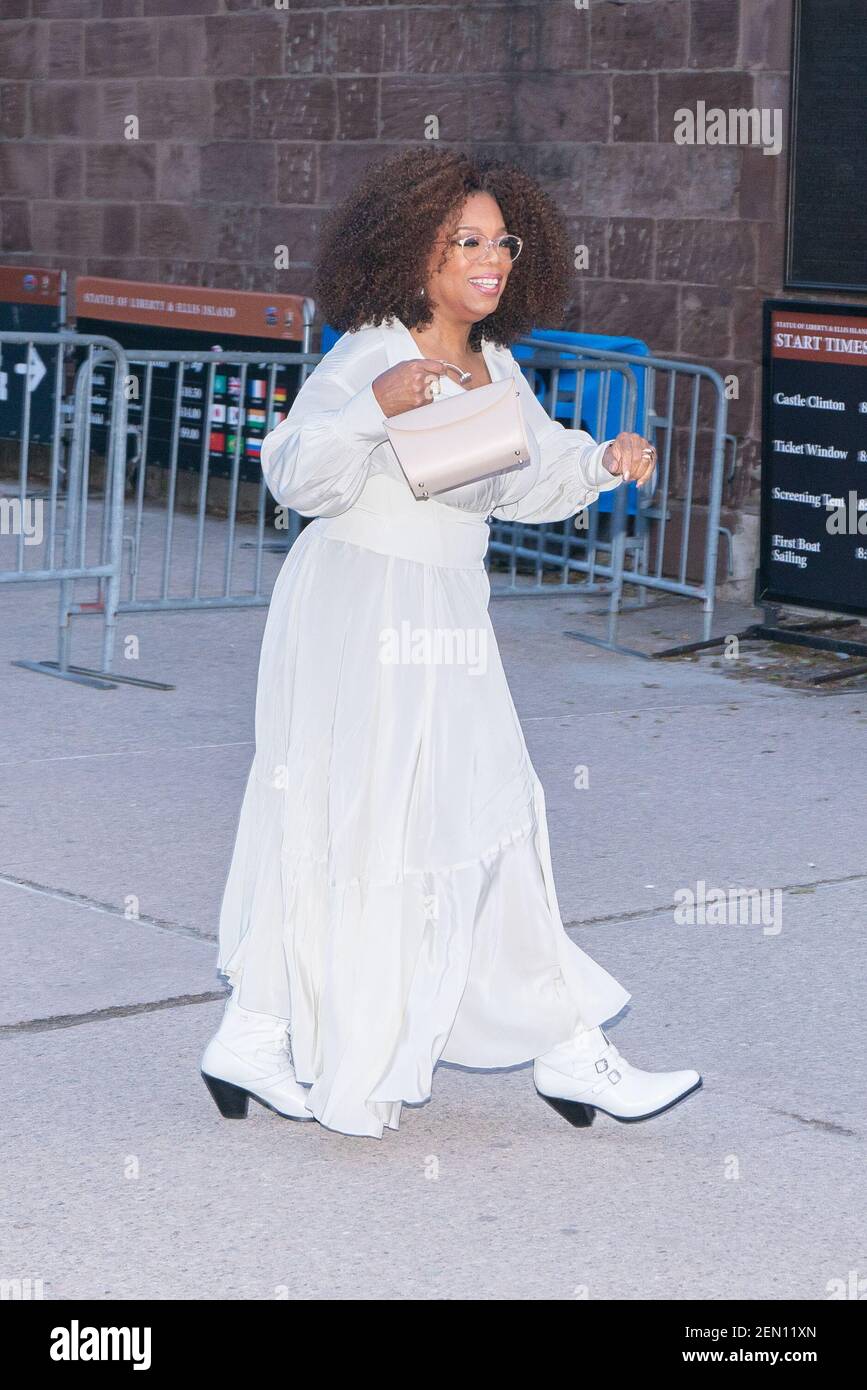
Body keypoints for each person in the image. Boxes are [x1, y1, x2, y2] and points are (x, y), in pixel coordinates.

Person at [200, 146, 701, 1138]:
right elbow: (295, 471)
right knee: (359, 819)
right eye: (465, 240)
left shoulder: (491, 362)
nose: (491, 257)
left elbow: (521, 477)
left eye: (501, 241)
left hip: (442, 610)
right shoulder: (374, 350)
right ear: (412, 252)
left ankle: (559, 1047)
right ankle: (266, 1030)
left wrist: (603, 460)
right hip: (358, 603)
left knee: (488, 813)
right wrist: (374, 415)